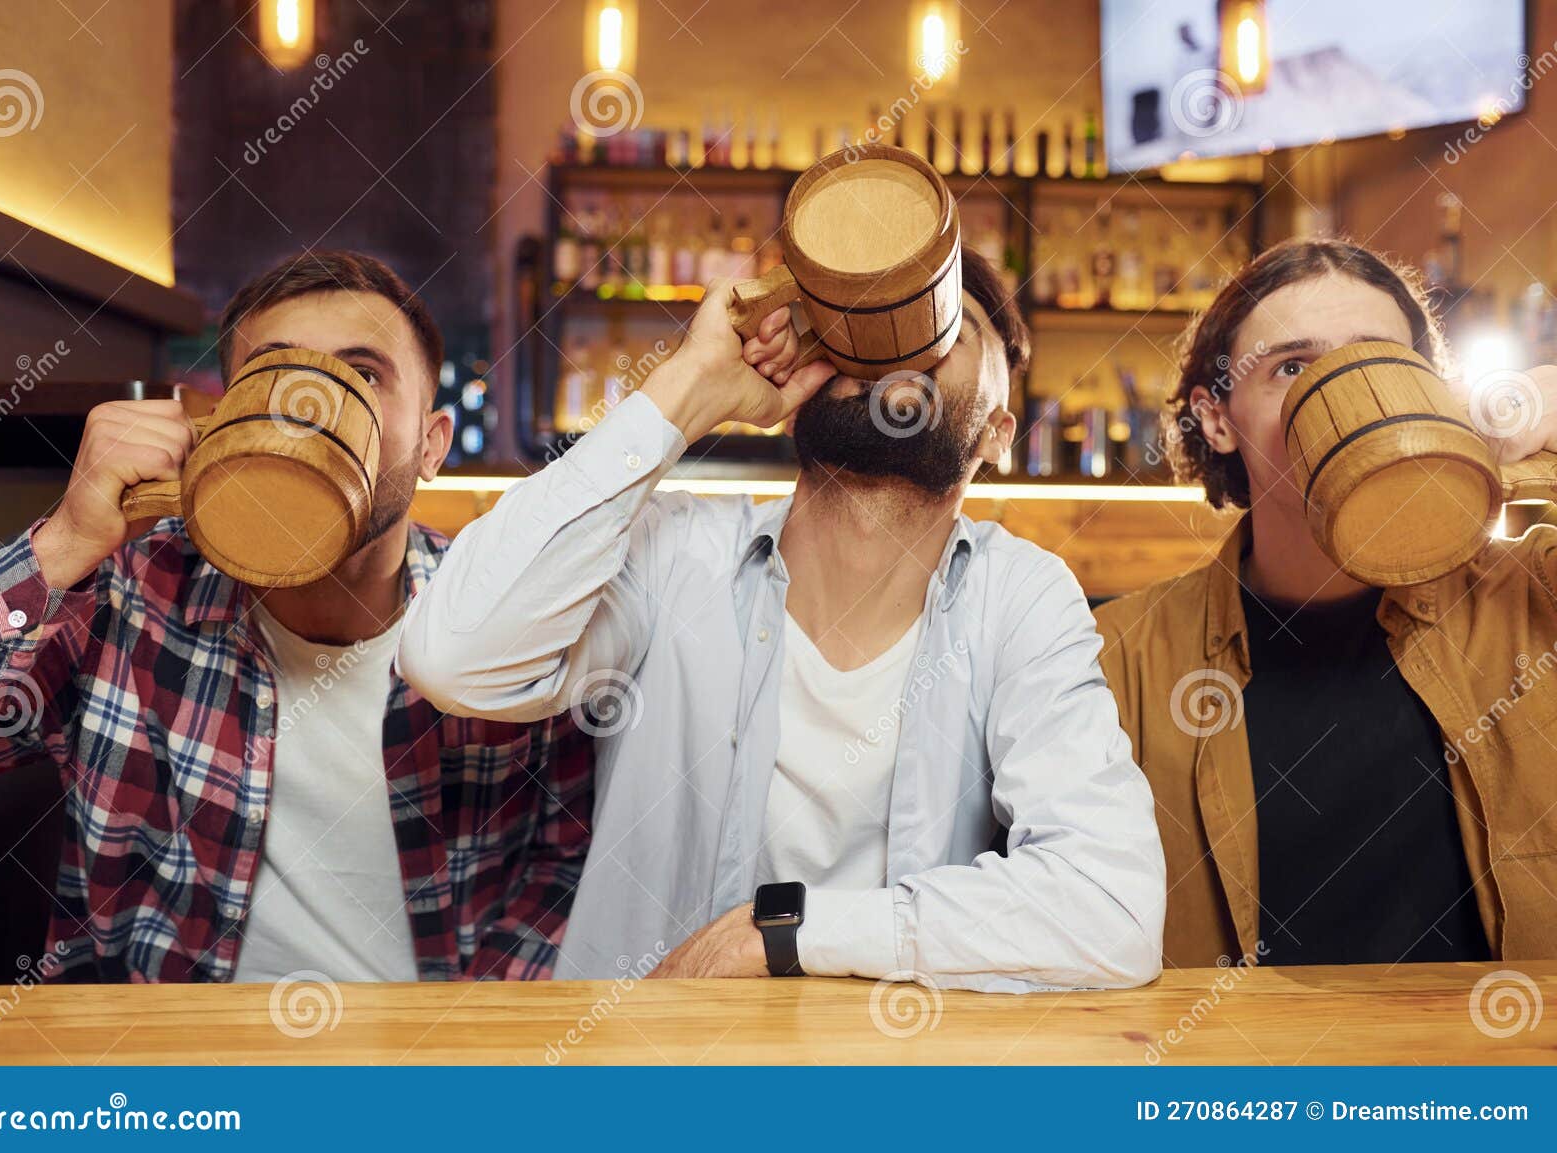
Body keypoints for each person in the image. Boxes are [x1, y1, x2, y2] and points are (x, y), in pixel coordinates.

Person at [397, 248, 1165, 993]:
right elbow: (453, 657)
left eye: (942, 324)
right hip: (640, 1076)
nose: (899, 343)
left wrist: (779, 933)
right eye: (870, 320)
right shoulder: (676, 552)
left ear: (1000, 431)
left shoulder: (1020, 597)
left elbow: (1110, 905)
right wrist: (691, 385)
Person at [0, 250, 591, 982]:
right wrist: (66, 542)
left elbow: (566, 856)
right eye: (275, 375)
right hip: (180, 1081)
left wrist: (469, 1054)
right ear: (223, 419)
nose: (308, 407)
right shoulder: (128, 588)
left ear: (431, 444)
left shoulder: (504, 613)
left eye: (362, 375)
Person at [1094, 238, 1557, 968]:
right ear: (1217, 418)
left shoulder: (1535, 599)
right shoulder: (1115, 661)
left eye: (1378, 361)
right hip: (1229, 1079)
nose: (1342, 393)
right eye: (1293, 367)